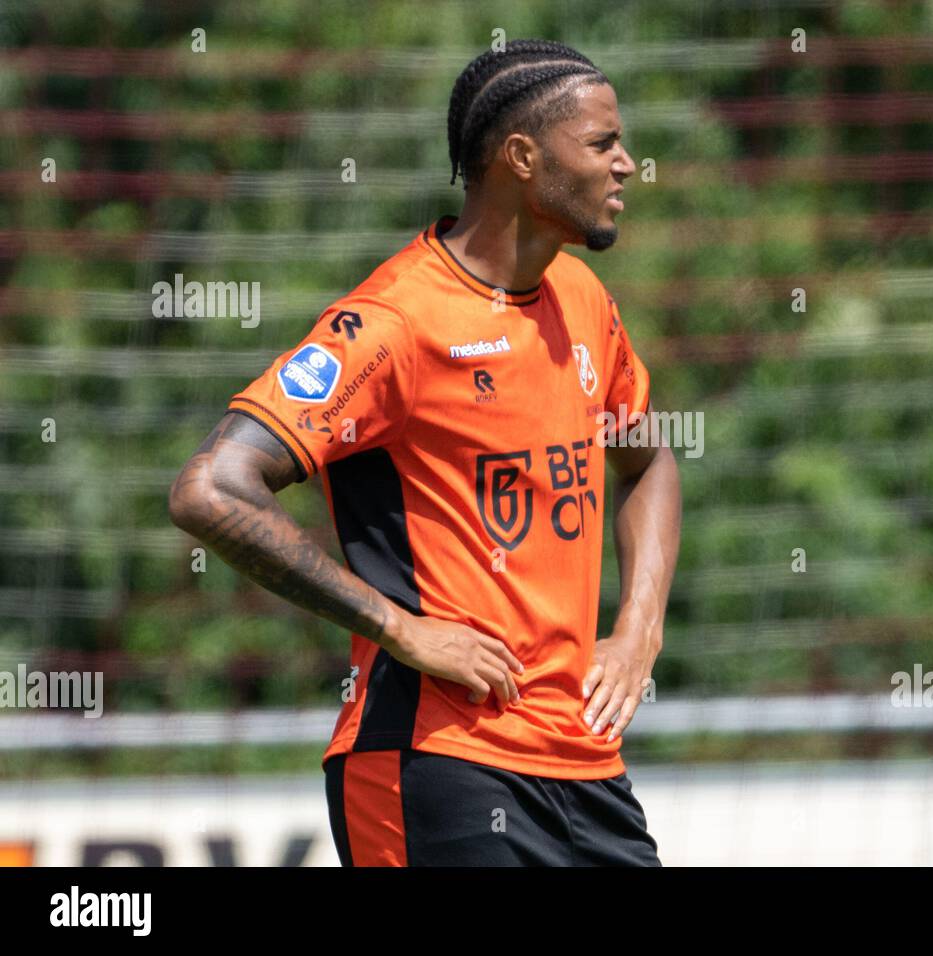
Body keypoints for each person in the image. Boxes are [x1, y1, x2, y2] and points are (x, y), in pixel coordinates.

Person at [168, 39, 681, 866]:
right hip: (437, 764)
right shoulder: (395, 323)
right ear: (521, 156)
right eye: (602, 143)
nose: (627, 164)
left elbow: (649, 464)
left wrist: (640, 630)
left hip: (587, 769)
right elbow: (212, 489)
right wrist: (400, 630)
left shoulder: (583, 300)